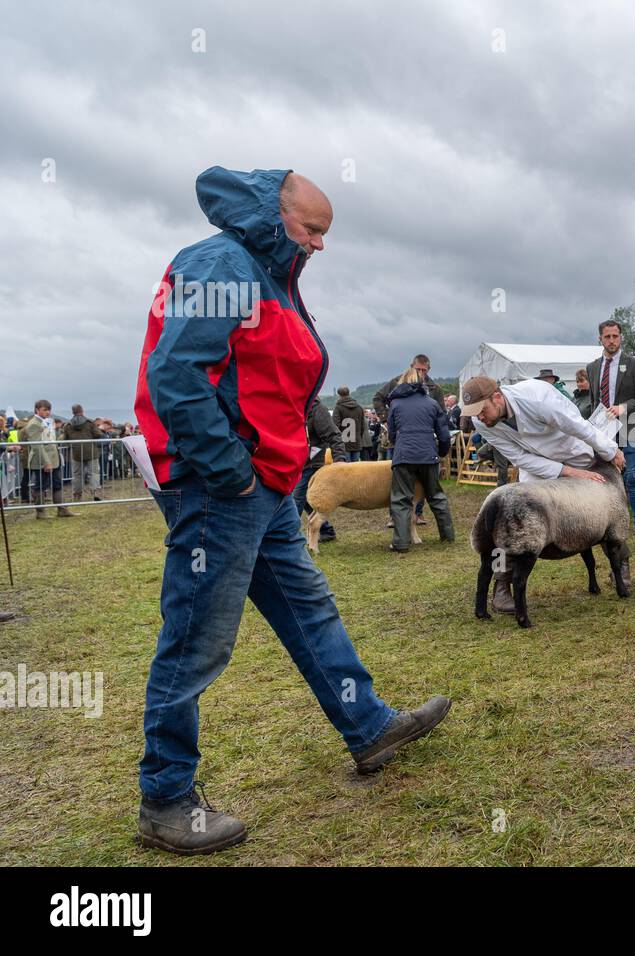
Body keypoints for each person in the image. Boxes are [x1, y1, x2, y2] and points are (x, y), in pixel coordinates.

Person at [133, 166, 450, 854]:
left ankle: (367, 726)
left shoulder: (269, 272)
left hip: (266, 484)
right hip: (224, 489)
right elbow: (176, 376)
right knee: (197, 638)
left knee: (309, 606)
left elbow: (267, 370)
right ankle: (164, 798)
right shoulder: (223, 265)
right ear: (273, 214)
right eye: (312, 229)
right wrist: (229, 472)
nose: (320, 244)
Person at [462, 374, 625, 611]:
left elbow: (578, 425)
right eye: (474, 412)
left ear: (497, 397)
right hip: (536, 467)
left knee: (601, 509)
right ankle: (502, 584)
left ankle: (621, 564)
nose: (478, 416)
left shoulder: (537, 397)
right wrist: (565, 472)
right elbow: (518, 457)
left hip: (573, 453)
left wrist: (610, 451)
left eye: (481, 409)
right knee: (507, 524)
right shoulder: (481, 422)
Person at [586, 321, 635, 550]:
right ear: (600, 339)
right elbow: (594, 401)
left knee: (632, 479)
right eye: (607, 336)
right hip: (603, 432)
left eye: (615, 336)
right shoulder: (592, 367)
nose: (612, 340)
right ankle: (607, 529)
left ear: (621, 337)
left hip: (630, 427)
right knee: (604, 480)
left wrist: (624, 407)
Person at [387, 369, 454, 551]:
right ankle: (447, 536)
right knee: (436, 496)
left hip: (404, 455)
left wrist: (400, 445)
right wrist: (440, 452)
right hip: (428, 455)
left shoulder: (395, 404)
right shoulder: (432, 403)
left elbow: (392, 433)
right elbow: (444, 435)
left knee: (401, 499)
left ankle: (401, 542)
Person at [294, 397, 346, 542]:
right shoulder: (295, 407)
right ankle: (326, 530)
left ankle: (286, 536)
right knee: (305, 501)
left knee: (295, 500)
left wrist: (339, 460)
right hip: (299, 463)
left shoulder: (317, 410)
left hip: (313, 463)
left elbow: (334, 435)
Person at [21, 400, 73, 518]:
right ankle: (40, 512)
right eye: (45, 409)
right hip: (41, 461)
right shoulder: (34, 424)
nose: (48, 412)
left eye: (49, 409)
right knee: (40, 486)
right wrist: (46, 462)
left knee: (57, 484)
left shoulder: (47, 422)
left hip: (54, 459)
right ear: (37, 410)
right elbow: (37, 445)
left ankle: (62, 509)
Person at [374, 354, 444, 415]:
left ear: (428, 369)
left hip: (425, 426)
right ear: (411, 366)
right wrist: (385, 418)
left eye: (423, 370)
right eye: (418, 369)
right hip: (399, 425)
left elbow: (442, 412)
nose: (420, 373)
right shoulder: (397, 383)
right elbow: (378, 398)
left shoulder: (435, 389)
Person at [62, 403, 104, 502]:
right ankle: (95, 493)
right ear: (82, 411)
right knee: (93, 473)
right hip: (91, 452)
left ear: (73, 412)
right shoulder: (89, 423)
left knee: (77, 475)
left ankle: (77, 494)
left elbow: (65, 439)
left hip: (76, 453)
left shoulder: (68, 425)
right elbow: (98, 434)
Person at [331, 385, 367, 462]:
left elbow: (335, 426)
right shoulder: (359, 408)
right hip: (356, 442)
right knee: (355, 468)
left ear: (339, 395)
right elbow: (362, 426)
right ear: (349, 393)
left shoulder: (338, 408)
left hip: (343, 444)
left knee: (346, 469)